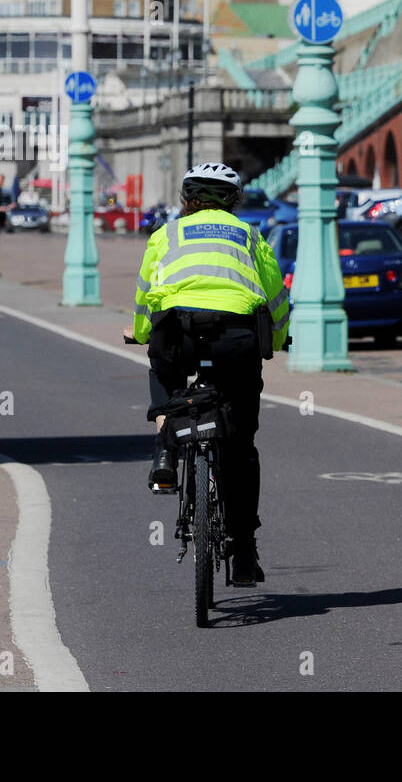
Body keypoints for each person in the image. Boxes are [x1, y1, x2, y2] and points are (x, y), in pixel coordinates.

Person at [125, 163, 290, 586]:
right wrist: (279, 339)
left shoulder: (166, 235)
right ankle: (243, 554)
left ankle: (165, 449)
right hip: (236, 339)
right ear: (235, 202)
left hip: (177, 332)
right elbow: (275, 298)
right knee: (240, 445)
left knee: (161, 369)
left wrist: (143, 333)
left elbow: (147, 294)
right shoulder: (251, 237)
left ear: (186, 200)